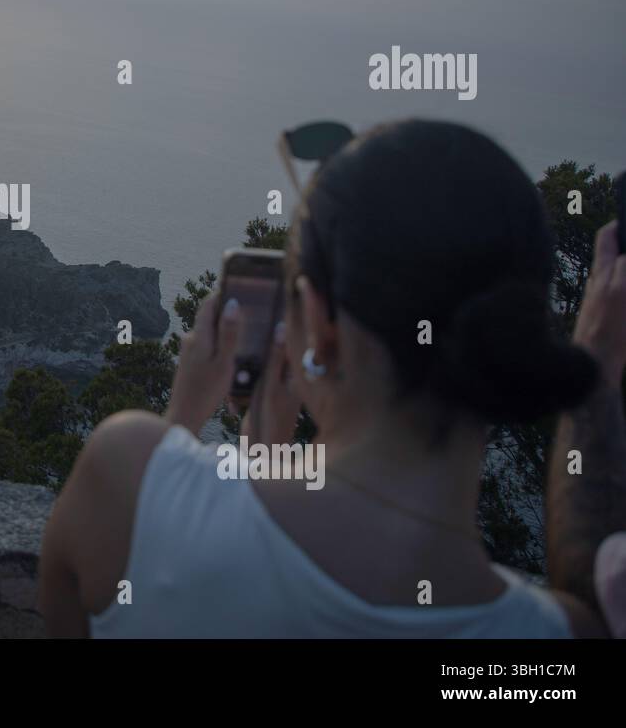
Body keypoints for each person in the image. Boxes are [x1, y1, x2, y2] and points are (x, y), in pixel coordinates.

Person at [37, 119, 625, 637]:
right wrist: (595, 377)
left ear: (319, 321)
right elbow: (588, 596)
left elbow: (175, 557)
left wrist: (181, 425)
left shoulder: (126, 470)